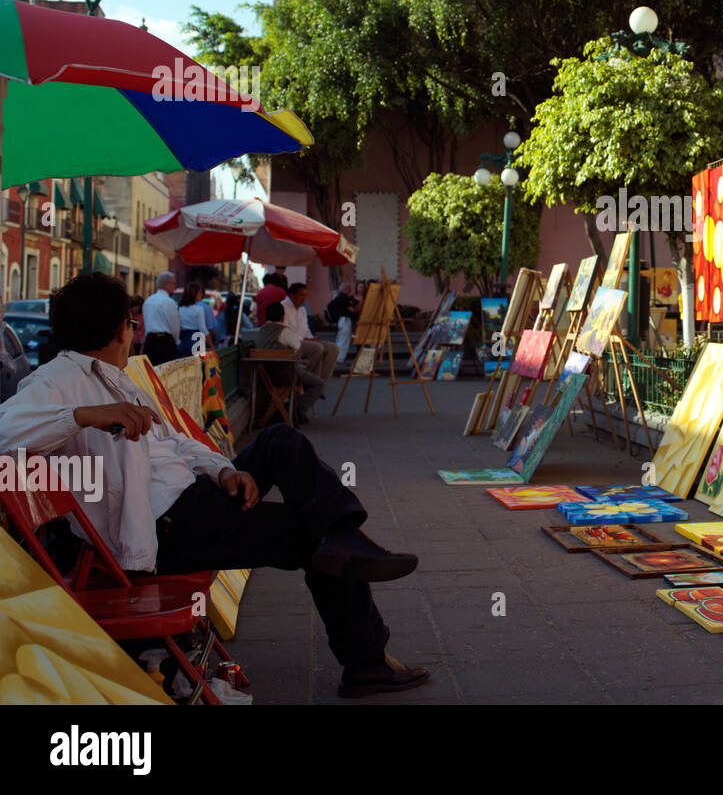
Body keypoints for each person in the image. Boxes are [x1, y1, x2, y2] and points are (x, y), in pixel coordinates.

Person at [0, 273, 428, 698]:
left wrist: (224, 470)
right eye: (131, 325)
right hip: (168, 527)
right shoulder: (53, 382)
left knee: (281, 441)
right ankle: (366, 656)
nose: (133, 333)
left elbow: (175, 443)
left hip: (197, 498)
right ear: (119, 329)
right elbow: (6, 430)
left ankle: (344, 533)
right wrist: (82, 416)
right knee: (308, 535)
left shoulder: (116, 377)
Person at [255, 301, 326, 416]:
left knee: (305, 379)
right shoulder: (284, 331)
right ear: (283, 317)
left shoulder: (260, 331)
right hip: (285, 374)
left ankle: (287, 409)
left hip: (264, 376)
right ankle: (294, 410)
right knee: (318, 384)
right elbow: (298, 348)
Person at [284, 283, 340, 383]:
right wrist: (308, 340)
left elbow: (306, 331)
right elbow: (285, 333)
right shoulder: (283, 307)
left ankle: (321, 383)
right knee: (317, 348)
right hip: (291, 344)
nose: (304, 299)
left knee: (333, 348)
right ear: (292, 295)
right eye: (301, 295)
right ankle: (311, 383)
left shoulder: (302, 309)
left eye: (305, 296)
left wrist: (312, 338)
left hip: (305, 341)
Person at [142, 272, 180, 365]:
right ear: (166, 284)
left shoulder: (148, 301)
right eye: (173, 283)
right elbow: (175, 326)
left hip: (150, 341)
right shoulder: (169, 302)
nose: (175, 286)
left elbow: (146, 322)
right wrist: (175, 341)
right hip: (165, 342)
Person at [177, 281, 213, 356]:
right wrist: (211, 345)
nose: (202, 295)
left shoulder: (180, 308)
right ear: (194, 294)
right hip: (196, 340)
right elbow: (203, 329)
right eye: (200, 293)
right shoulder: (199, 309)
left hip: (183, 339)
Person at [326, 283, 360, 359]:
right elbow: (352, 310)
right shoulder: (343, 298)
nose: (350, 290)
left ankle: (336, 357)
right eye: (349, 289)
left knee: (341, 339)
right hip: (345, 320)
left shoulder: (338, 297)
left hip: (341, 320)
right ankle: (339, 358)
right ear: (345, 289)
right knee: (343, 340)